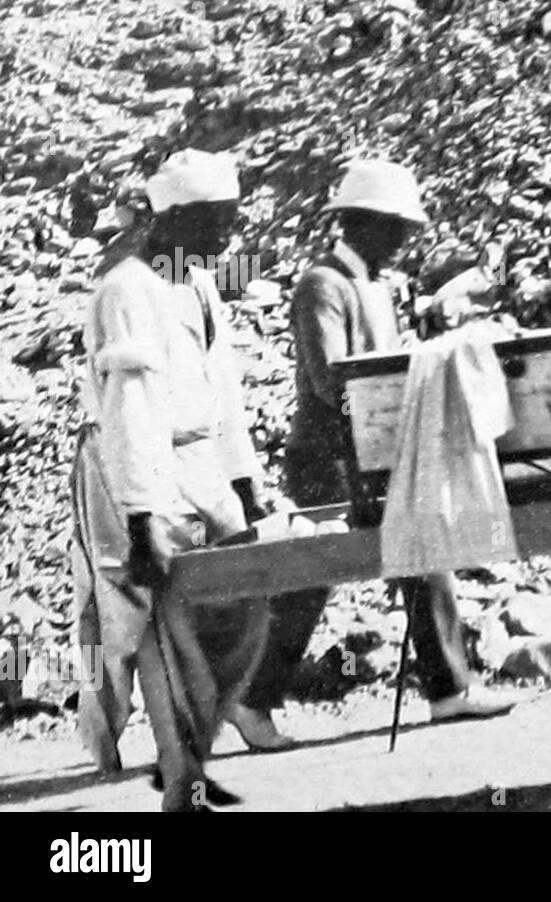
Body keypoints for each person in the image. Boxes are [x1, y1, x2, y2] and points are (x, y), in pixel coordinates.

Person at [229, 160, 519, 748]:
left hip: (376, 456)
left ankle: (449, 691)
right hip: (326, 461)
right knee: (314, 576)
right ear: (362, 223)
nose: (402, 241)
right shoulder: (323, 285)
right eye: (394, 229)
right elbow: (327, 382)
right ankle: (251, 700)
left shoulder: (379, 288)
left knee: (423, 550)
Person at [72, 148, 272, 809]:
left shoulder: (198, 282)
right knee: (156, 621)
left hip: (201, 462)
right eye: (216, 221)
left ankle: (192, 750)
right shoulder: (128, 288)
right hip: (141, 464)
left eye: (232, 220)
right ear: (177, 216)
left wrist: (242, 483)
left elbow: (223, 390)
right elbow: (132, 412)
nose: (228, 236)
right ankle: (179, 779)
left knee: (243, 602)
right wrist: (141, 515)